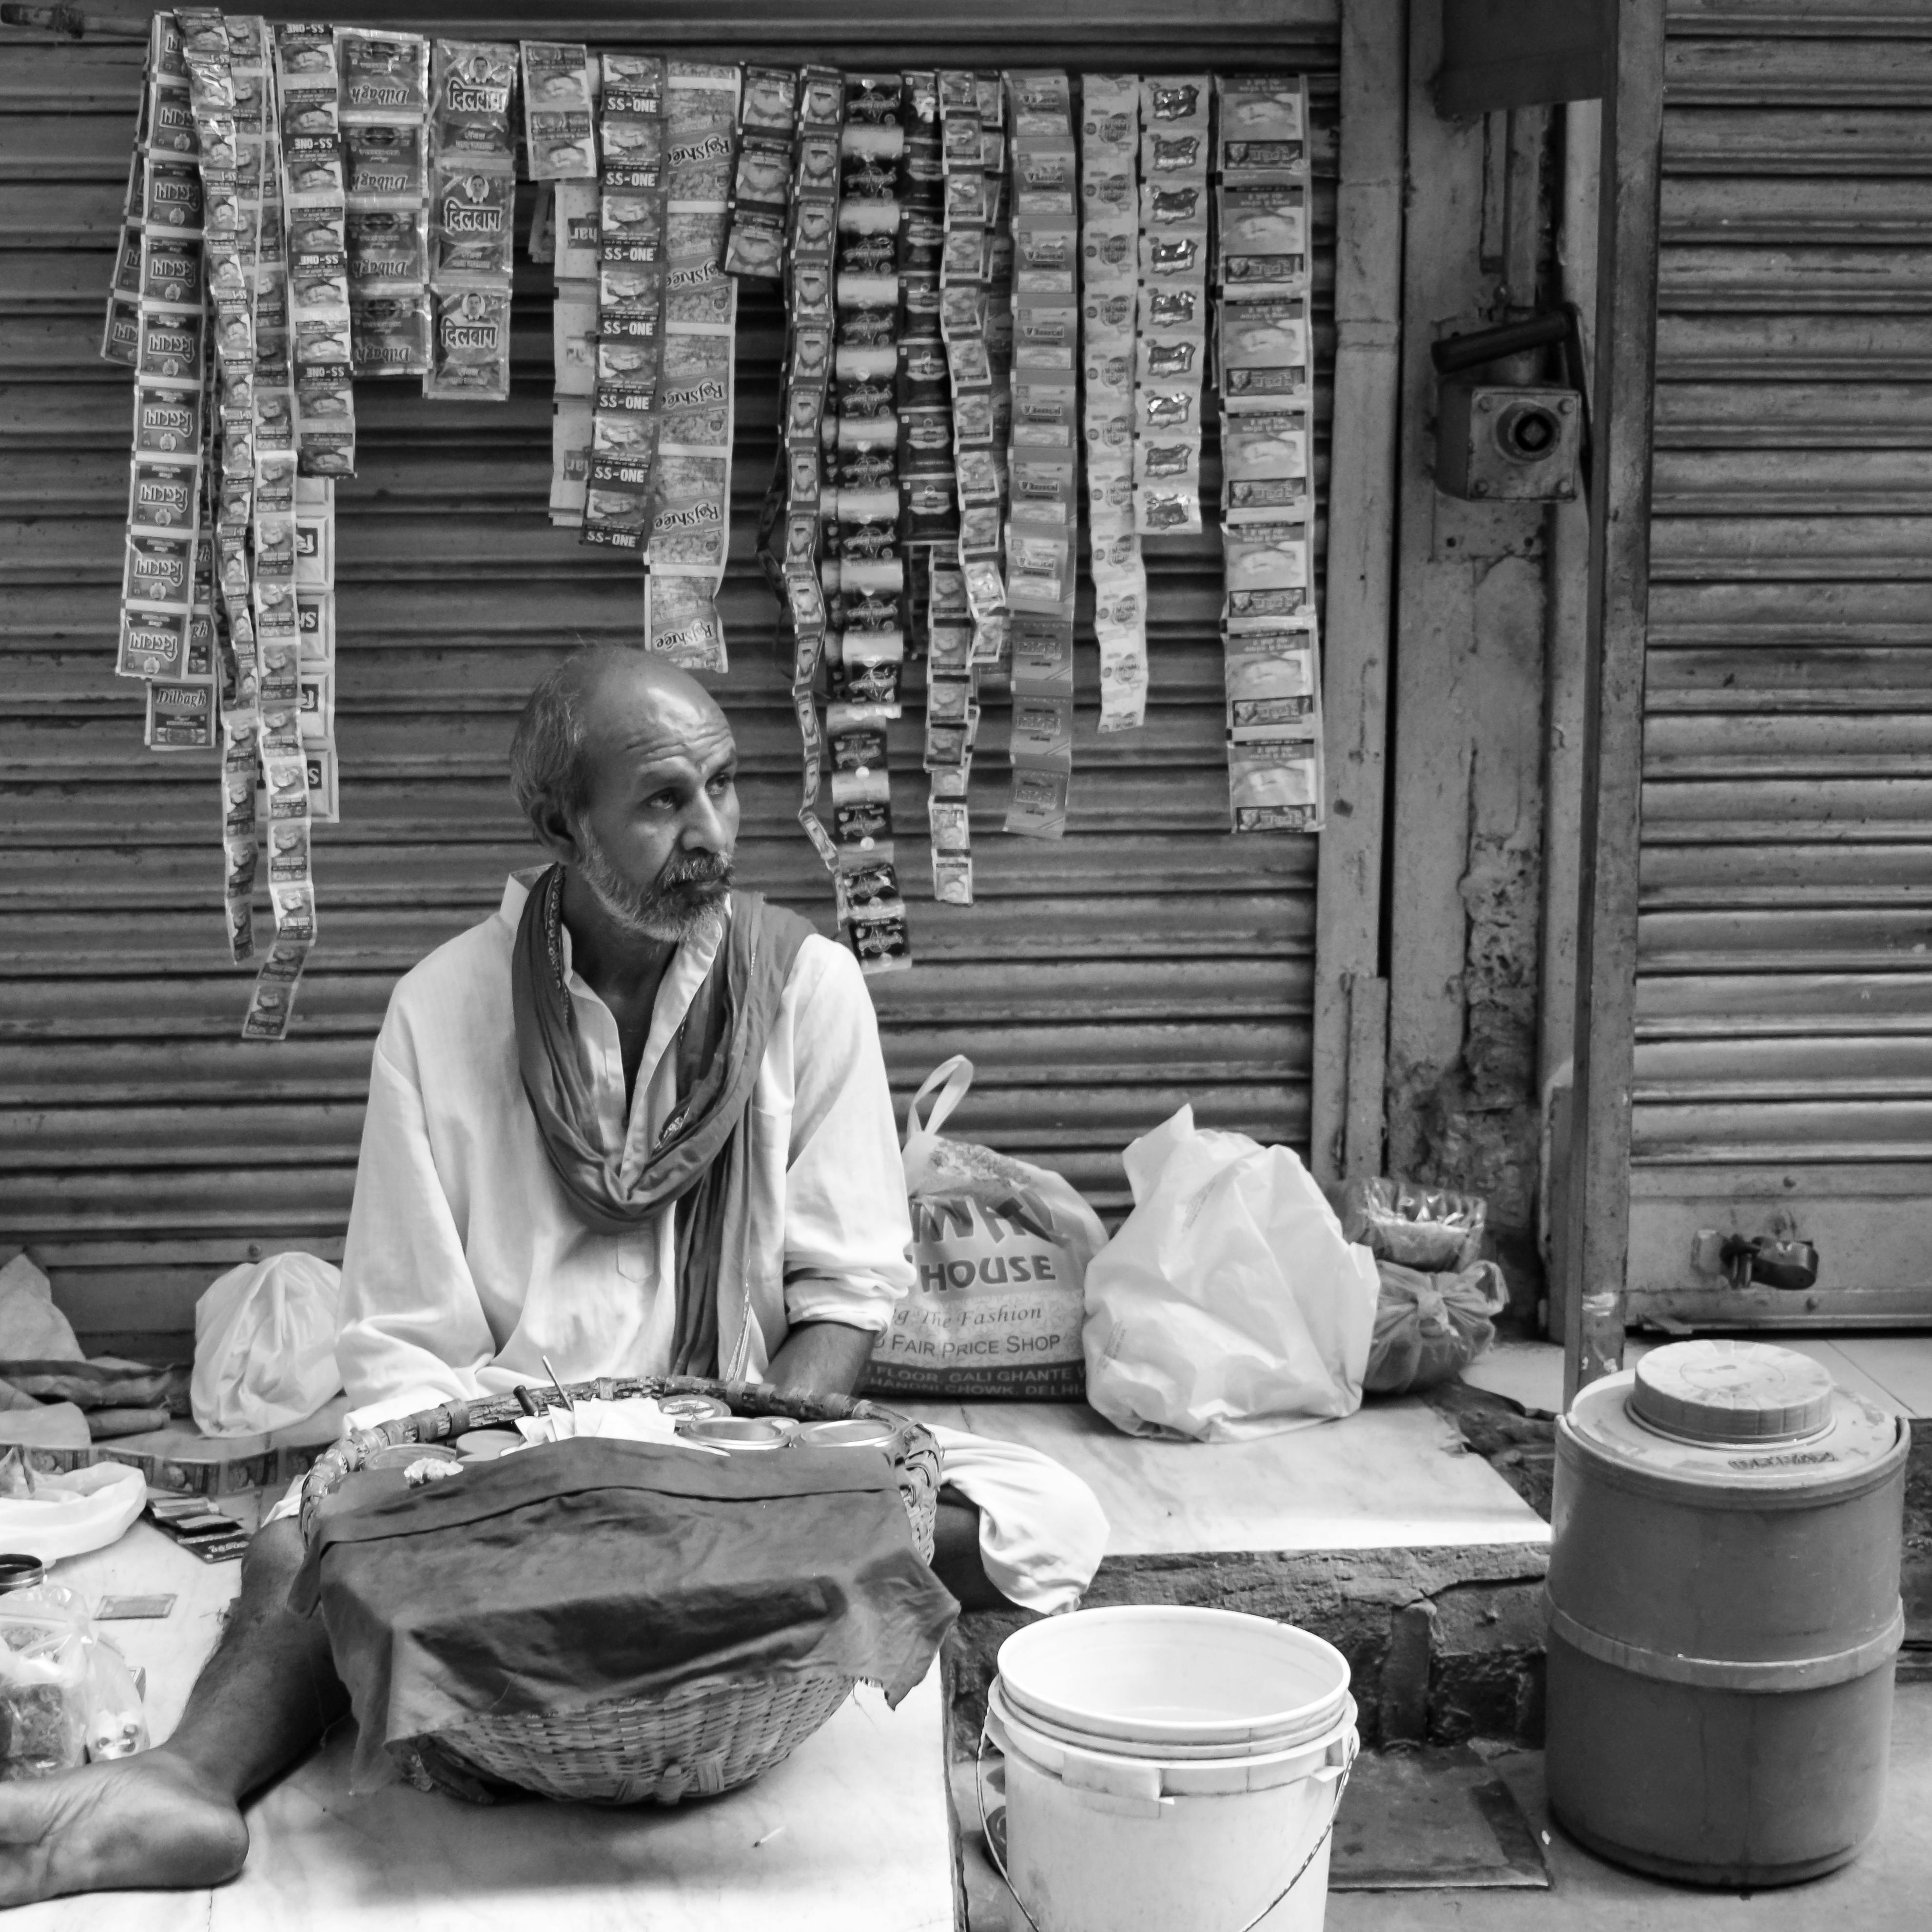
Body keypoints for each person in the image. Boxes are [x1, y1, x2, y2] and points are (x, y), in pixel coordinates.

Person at [0, 650, 1102, 1904]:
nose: (709, 834)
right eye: (662, 800)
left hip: (743, 1452)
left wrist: (742, 1477)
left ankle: (559, 1640)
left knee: (1045, 1514)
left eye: (725, 788)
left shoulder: (805, 985)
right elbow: (406, 1353)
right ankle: (184, 1787)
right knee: (296, 1546)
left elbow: (842, 1296)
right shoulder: (441, 1007)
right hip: (504, 1466)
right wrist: (540, 1485)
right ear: (558, 826)